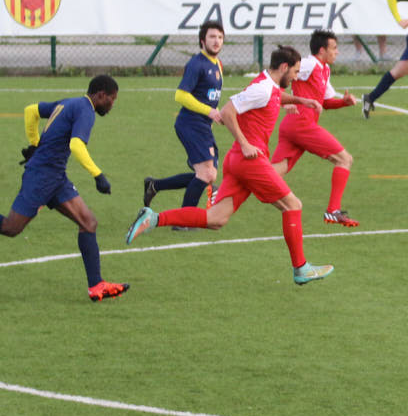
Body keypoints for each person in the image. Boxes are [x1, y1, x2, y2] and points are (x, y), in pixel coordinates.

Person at [126, 46, 334, 286]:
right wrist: (244, 143)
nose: (297, 78)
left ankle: (153, 219)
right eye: (296, 72)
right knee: (293, 205)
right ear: (284, 68)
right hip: (250, 160)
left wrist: (300, 99)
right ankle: (301, 268)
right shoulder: (263, 87)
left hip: (238, 162)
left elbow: (275, 96)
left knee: (215, 219)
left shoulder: (269, 87)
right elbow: (227, 111)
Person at [0, 75, 128, 302]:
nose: (112, 105)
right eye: (112, 99)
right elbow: (76, 145)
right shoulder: (86, 110)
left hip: (56, 177)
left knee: (88, 223)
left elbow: (31, 110)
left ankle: (97, 285)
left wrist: (35, 144)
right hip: (41, 177)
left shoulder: (68, 102)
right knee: (10, 227)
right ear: (101, 95)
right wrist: (98, 175)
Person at [271, 30, 360, 228]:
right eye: (334, 48)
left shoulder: (324, 69)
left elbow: (326, 102)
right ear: (322, 50)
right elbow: (281, 76)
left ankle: (221, 193)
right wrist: (284, 102)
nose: (337, 52)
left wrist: (343, 102)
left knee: (271, 173)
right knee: (344, 159)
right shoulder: (310, 64)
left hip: (293, 126)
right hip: (301, 124)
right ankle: (333, 211)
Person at [143, 21, 224, 218]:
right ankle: (184, 220)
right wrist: (209, 111)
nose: (216, 41)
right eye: (212, 37)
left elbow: (208, 95)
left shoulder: (217, 64)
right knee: (207, 174)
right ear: (202, 40)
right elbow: (180, 95)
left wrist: (214, 113)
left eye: (220, 37)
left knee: (206, 174)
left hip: (203, 125)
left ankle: (155, 185)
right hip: (190, 124)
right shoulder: (197, 64)